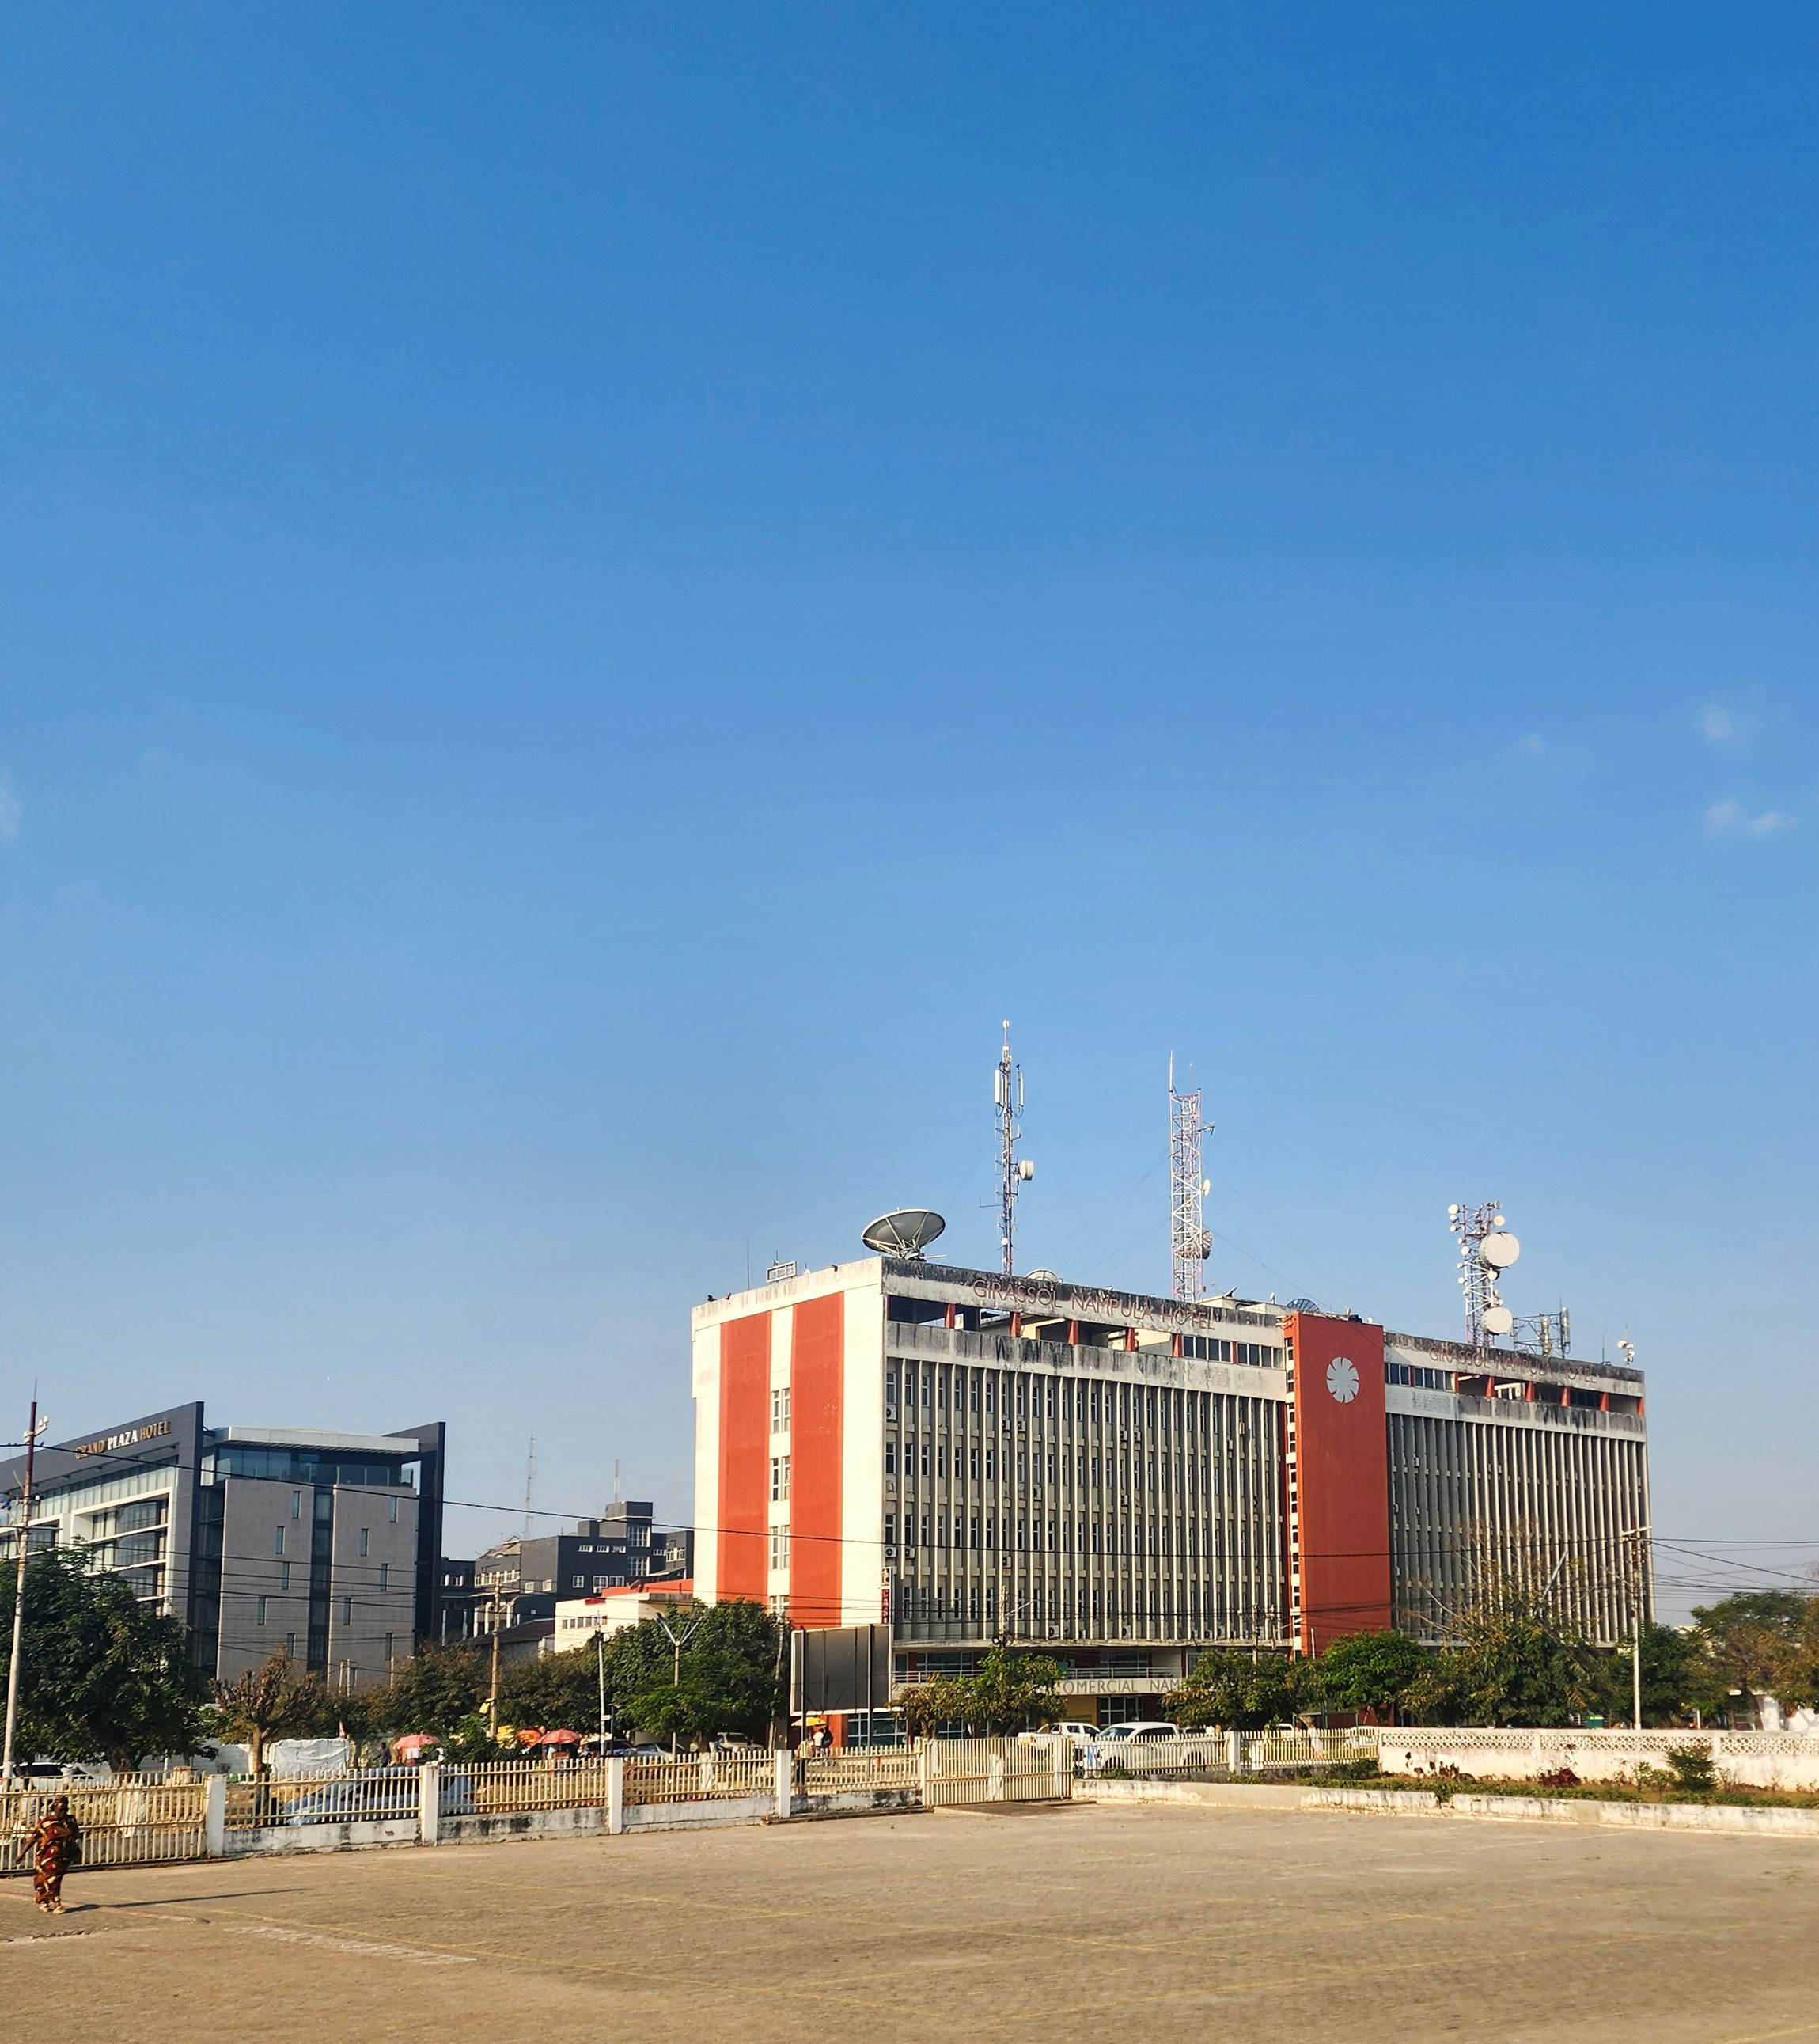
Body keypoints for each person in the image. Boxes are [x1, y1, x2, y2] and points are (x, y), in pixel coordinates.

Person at [29, 1793, 81, 1914]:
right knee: (48, 1878)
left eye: (65, 1809)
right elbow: (33, 1838)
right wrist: (21, 1854)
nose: (63, 1812)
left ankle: (47, 1900)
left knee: (56, 1878)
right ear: (54, 1808)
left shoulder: (69, 1820)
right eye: (60, 1809)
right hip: (46, 1856)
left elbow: (75, 1834)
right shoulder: (46, 1822)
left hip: (63, 1855)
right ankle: (51, 1902)